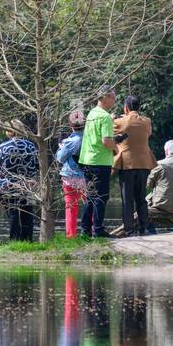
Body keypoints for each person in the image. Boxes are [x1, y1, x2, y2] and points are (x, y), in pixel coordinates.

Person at [0, 120, 40, 241]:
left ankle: (14, 240)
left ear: (10, 131)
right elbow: (38, 165)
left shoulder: (3, 147)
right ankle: (27, 240)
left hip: (8, 187)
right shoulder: (31, 146)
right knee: (27, 214)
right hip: (28, 187)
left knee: (13, 213)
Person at [113, 95, 155, 236]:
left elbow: (110, 135)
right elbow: (147, 133)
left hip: (127, 164)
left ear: (126, 108)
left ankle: (129, 230)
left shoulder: (119, 122)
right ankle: (145, 227)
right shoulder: (147, 121)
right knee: (141, 198)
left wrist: (113, 118)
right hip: (144, 163)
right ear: (139, 107)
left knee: (127, 199)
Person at [78, 89, 118, 238]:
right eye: (113, 97)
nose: (114, 101)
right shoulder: (105, 117)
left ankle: (85, 229)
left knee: (90, 196)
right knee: (101, 196)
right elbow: (106, 141)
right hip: (100, 161)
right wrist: (116, 147)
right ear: (106, 97)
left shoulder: (92, 114)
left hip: (87, 160)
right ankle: (99, 229)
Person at [55, 108, 87, 239]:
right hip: (86, 176)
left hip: (70, 177)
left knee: (71, 207)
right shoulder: (89, 138)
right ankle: (89, 232)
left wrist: (61, 148)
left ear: (71, 125)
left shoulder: (69, 142)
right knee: (89, 205)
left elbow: (60, 158)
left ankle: (71, 235)